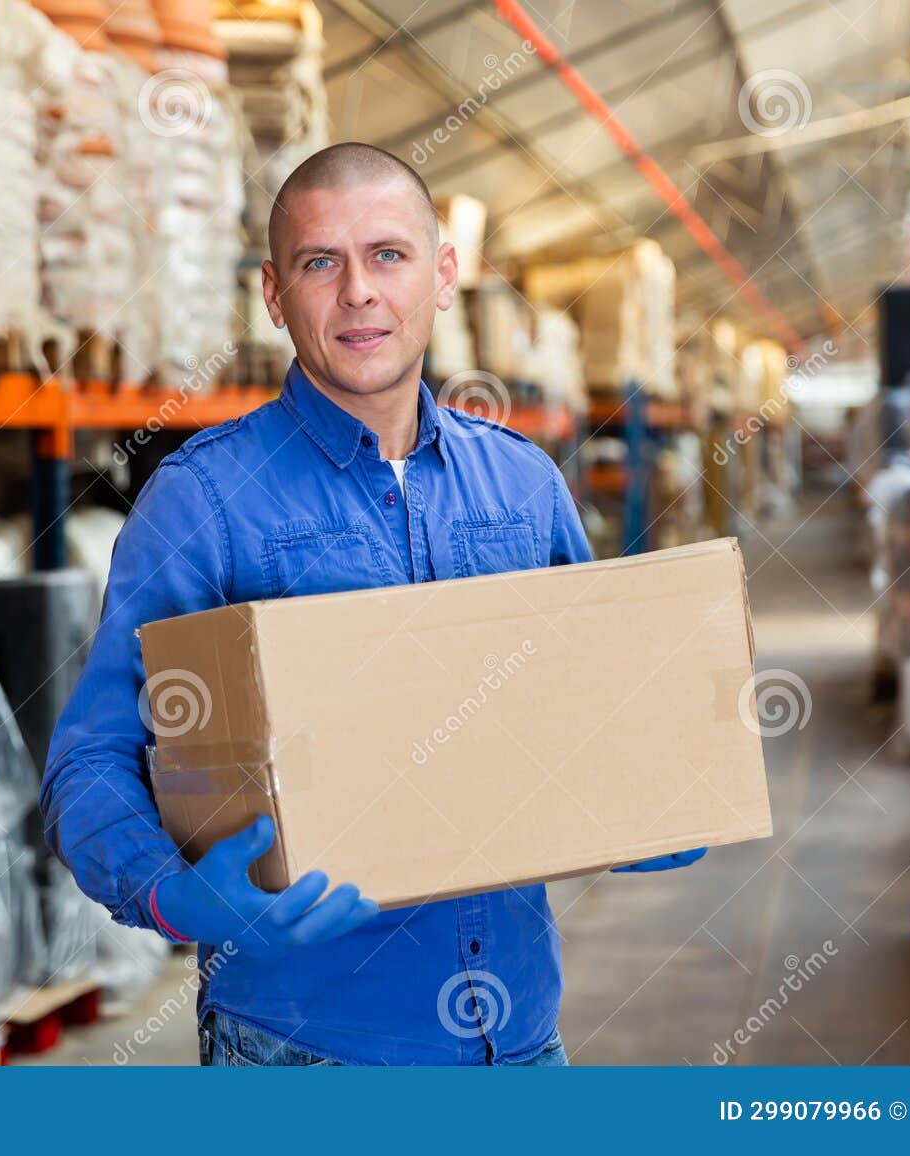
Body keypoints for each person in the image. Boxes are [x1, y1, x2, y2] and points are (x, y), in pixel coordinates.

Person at [42, 142, 704, 1067]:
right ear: (275, 296)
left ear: (441, 277)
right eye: (322, 262)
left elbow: (589, 709)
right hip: (307, 1053)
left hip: (518, 1042)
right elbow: (94, 754)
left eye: (388, 255)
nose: (358, 291)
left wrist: (658, 798)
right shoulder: (206, 503)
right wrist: (170, 891)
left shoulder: (523, 486)